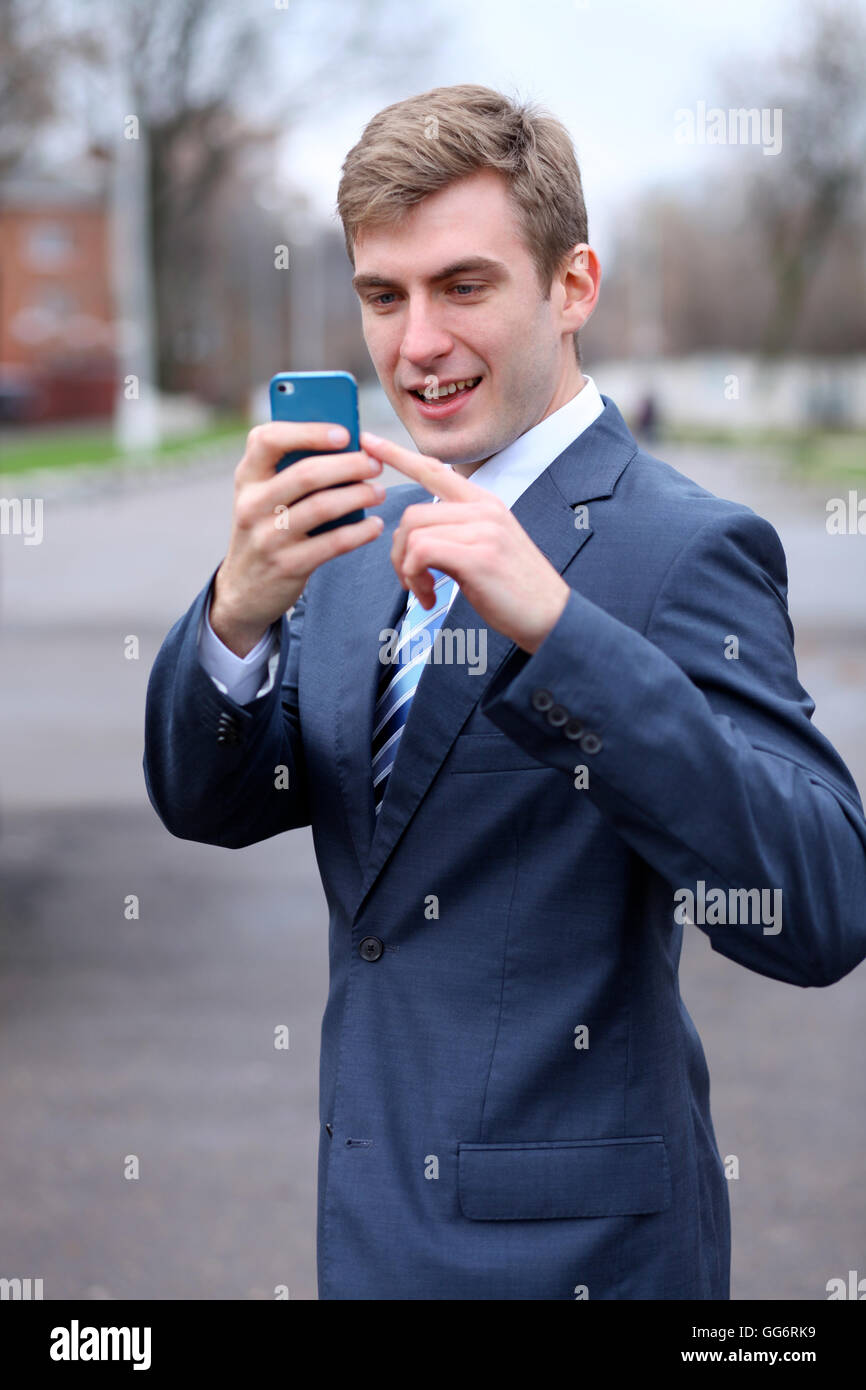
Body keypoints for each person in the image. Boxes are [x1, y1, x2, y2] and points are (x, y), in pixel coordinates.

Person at [143, 84, 866, 1300]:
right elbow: (211, 799)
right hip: (366, 1237)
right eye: (384, 295)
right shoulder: (354, 522)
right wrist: (237, 609)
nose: (415, 341)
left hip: (580, 1256)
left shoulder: (685, 547)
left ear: (572, 286)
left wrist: (558, 636)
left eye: (462, 286)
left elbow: (816, 904)